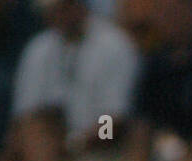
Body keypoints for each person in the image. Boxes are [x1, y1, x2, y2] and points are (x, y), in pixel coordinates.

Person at [11, 0, 139, 150]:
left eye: (65, 8)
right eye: (53, 11)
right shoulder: (39, 48)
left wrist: (79, 144)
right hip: (45, 153)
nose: (59, 15)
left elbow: (113, 119)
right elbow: (25, 113)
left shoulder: (115, 46)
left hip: (101, 150)